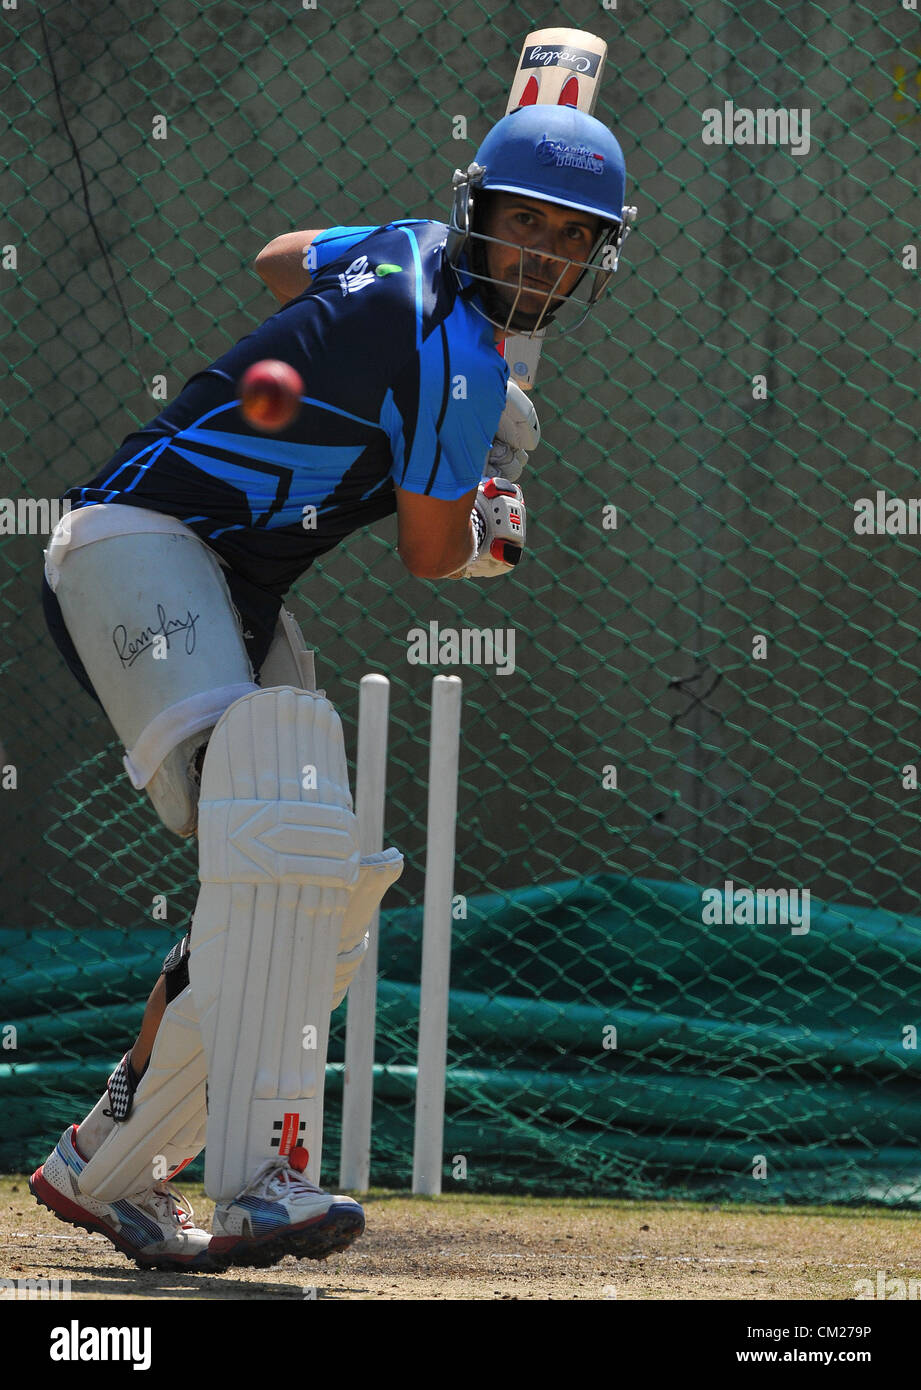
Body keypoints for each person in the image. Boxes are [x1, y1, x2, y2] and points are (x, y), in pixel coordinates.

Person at [29, 103, 635, 1272]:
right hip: (138, 538)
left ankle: (110, 1163)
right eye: (526, 226)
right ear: (482, 216)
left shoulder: (403, 246)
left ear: (596, 258)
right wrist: (491, 515)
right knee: (275, 848)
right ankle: (260, 1185)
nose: (544, 257)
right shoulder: (458, 359)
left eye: (571, 239)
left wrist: (372, 382)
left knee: (318, 891)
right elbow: (432, 554)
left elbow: (276, 263)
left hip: (237, 579)